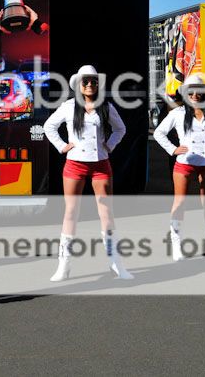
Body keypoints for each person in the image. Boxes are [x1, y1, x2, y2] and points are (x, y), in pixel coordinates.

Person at [43, 65, 132, 281]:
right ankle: (64, 265)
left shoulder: (106, 106)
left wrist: (110, 145)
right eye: (86, 81)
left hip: (101, 164)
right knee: (71, 212)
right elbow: (49, 127)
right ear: (79, 85)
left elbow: (121, 129)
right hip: (75, 164)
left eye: (93, 81)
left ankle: (116, 263)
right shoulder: (68, 106)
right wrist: (62, 146)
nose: (90, 84)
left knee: (106, 213)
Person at [153, 74, 205, 261]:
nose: (195, 94)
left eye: (199, 90)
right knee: (180, 203)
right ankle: (176, 242)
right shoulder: (178, 113)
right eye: (191, 91)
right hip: (184, 164)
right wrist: (173, 149)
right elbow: (159, 133)